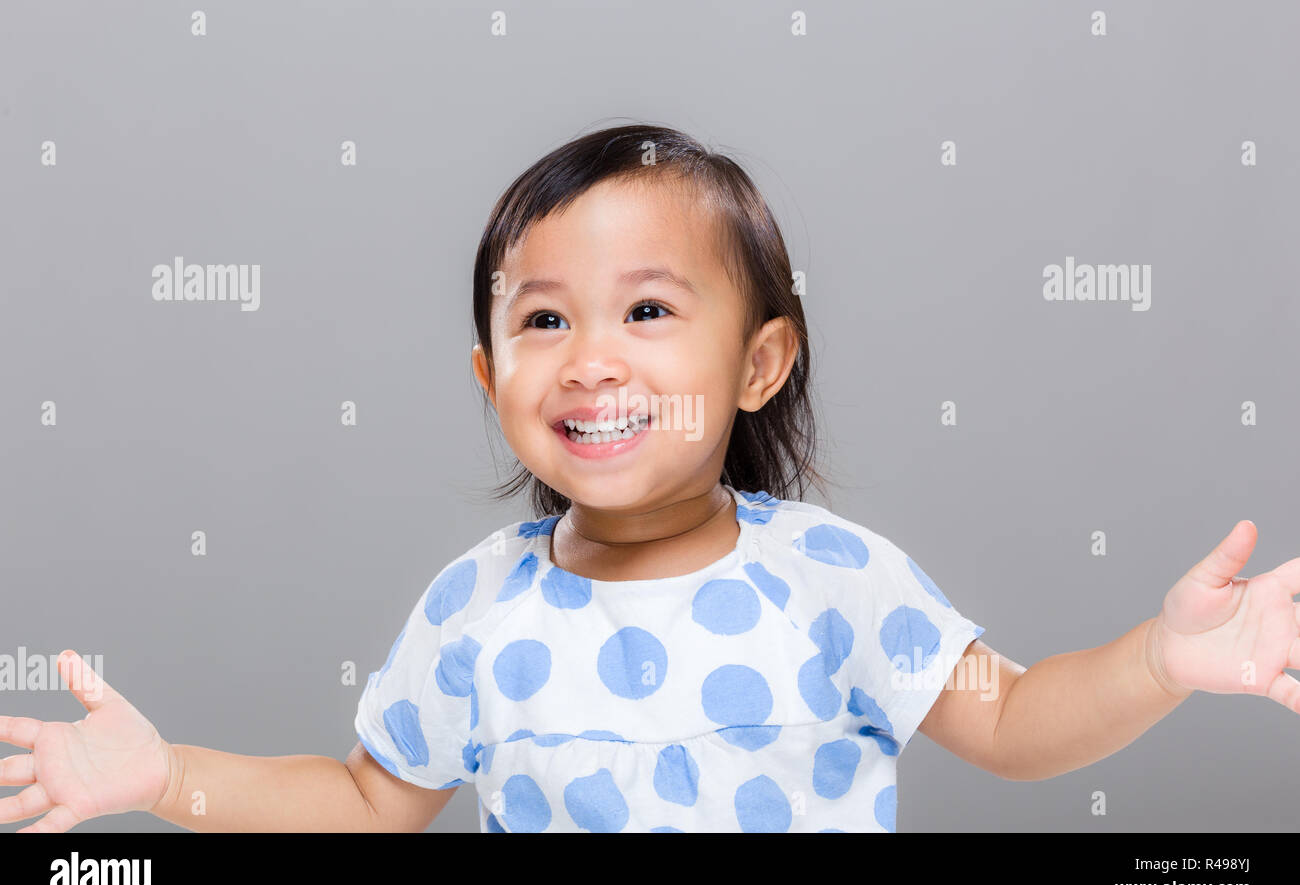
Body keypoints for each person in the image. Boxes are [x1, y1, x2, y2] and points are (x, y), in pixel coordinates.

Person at [3, 124, 1297, 833]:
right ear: (488, 375)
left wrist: (1164, 660)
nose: (591, 361)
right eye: (545, 322)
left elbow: (1015, 722)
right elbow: (361, 801)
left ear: (760, 360)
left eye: (650, 310)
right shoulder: (475, 611)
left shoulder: (836, 582)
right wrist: (161, 774)